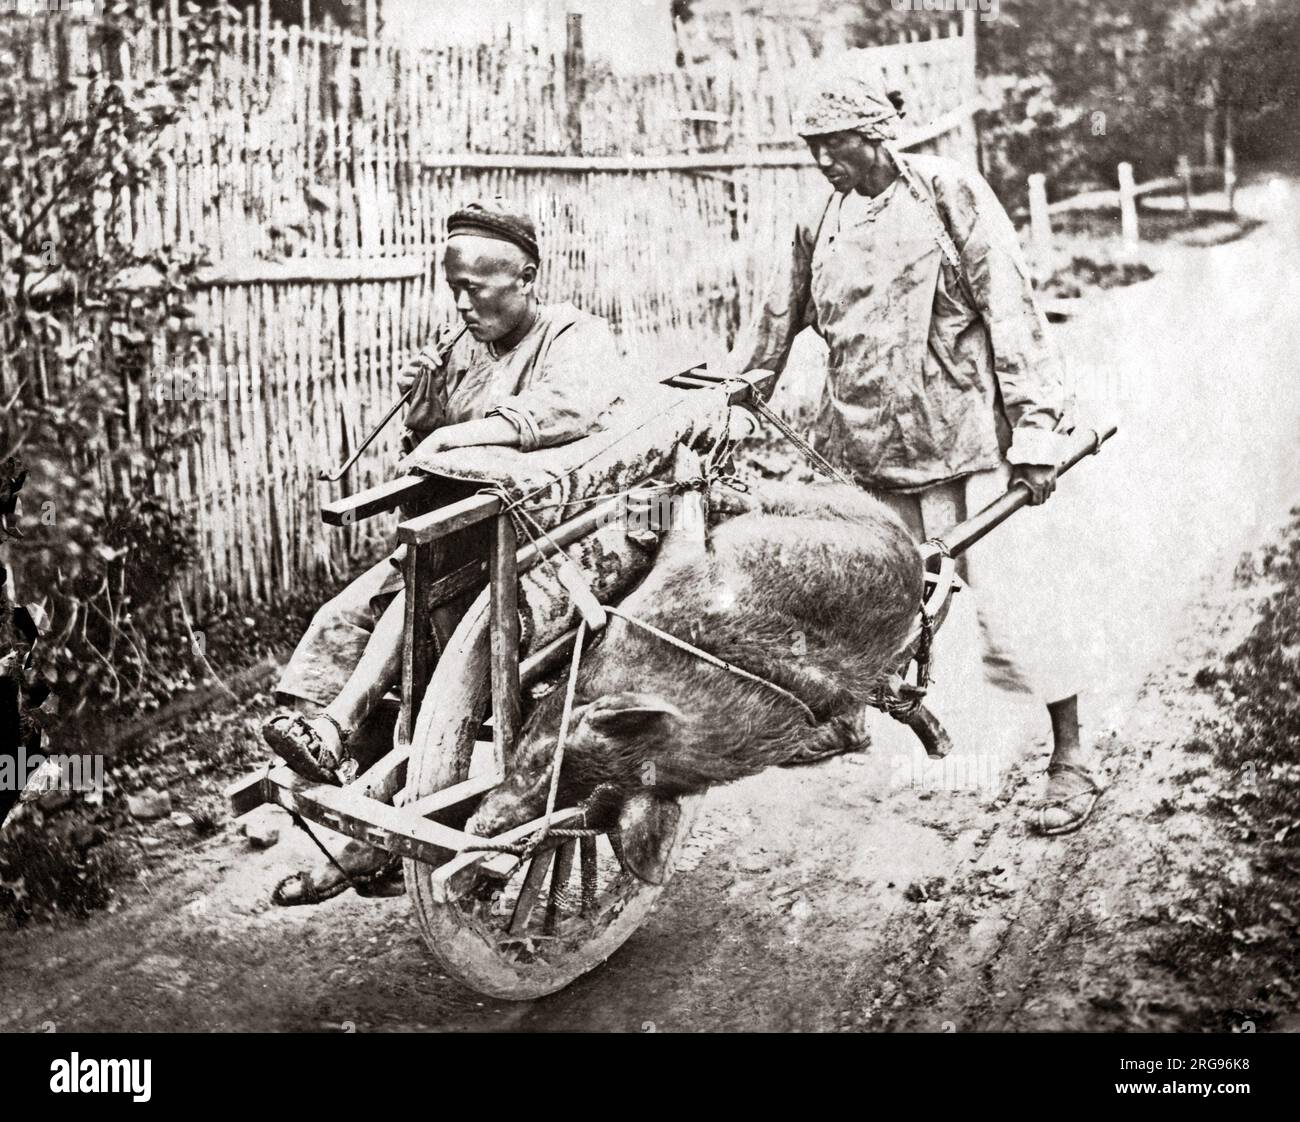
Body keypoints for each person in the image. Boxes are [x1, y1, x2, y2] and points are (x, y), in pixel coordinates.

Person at [727, 68, 1101, 835]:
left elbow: (1014, 308)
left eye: (835, 145)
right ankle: (844, 720)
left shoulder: (945, 195)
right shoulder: (819, 218)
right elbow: (771, 325)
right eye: (813, 149)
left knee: (1014, 600)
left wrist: (1034, 430)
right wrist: (734, 403)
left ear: (874, 136)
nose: (825, 162)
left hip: (965, 441)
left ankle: (1070, 754)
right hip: (864, 447)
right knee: (857, 597)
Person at [262, 200, 631, 792]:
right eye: (453, 289)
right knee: (345, 615)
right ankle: (343, 749)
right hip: (456, 538)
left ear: (526, 279)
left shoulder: (575, 335)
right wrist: (426, 411)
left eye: (475, 288)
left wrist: (456, 433)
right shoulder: (463, 348)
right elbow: (433, 448)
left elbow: (564, 409)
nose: (462, 305)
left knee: (415, 602)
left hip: (540, 542)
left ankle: (343, 729)